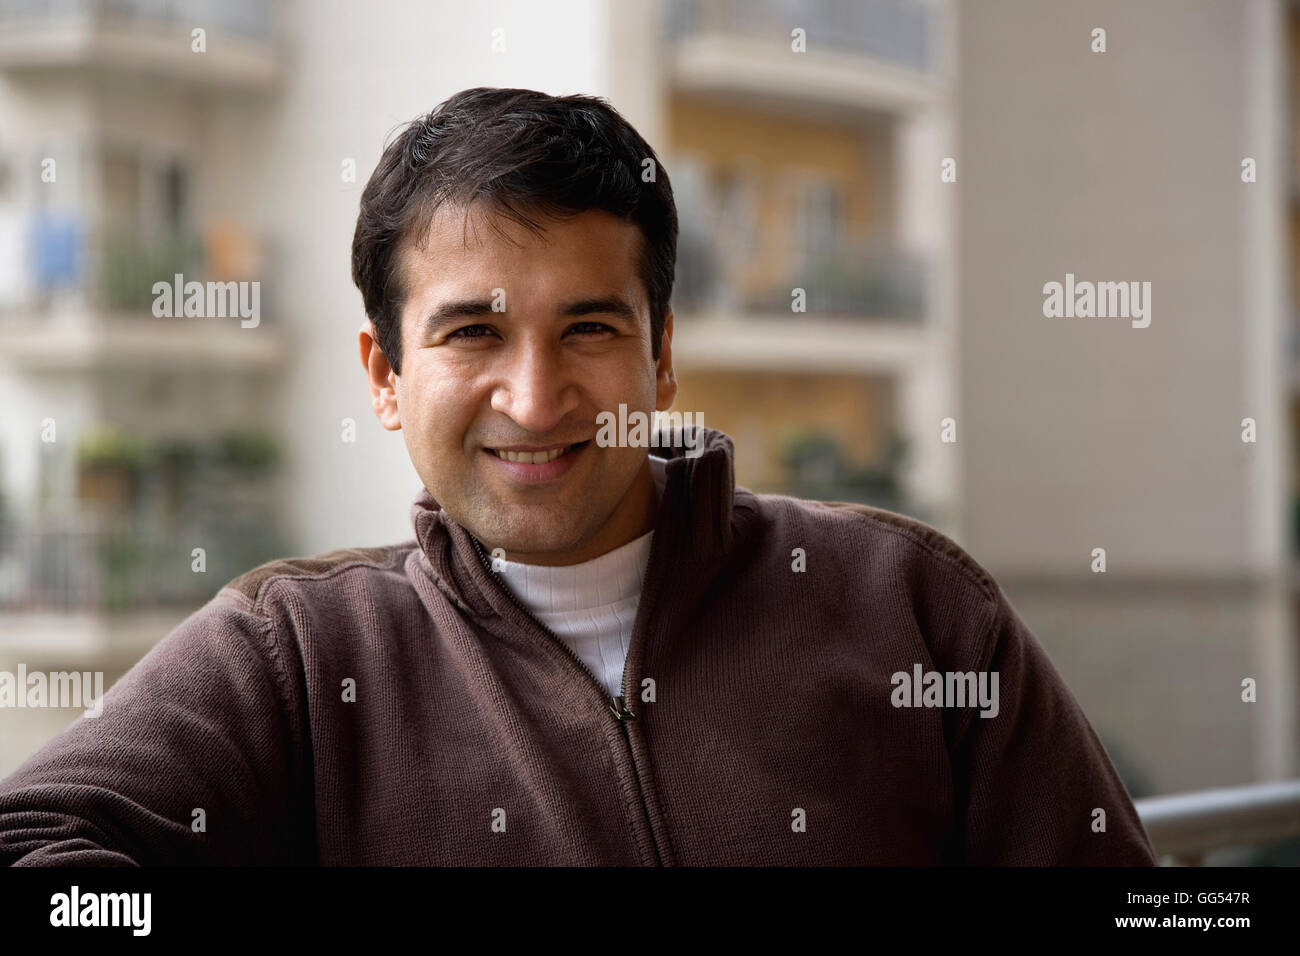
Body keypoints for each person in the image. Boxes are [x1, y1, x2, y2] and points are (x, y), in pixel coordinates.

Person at [0, 87, 1156, 865]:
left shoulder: (910, 604)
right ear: (386, 372)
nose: (535, 394)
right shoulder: (297, 655)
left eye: (590, 329)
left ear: (659, 353)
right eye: (471, 334)